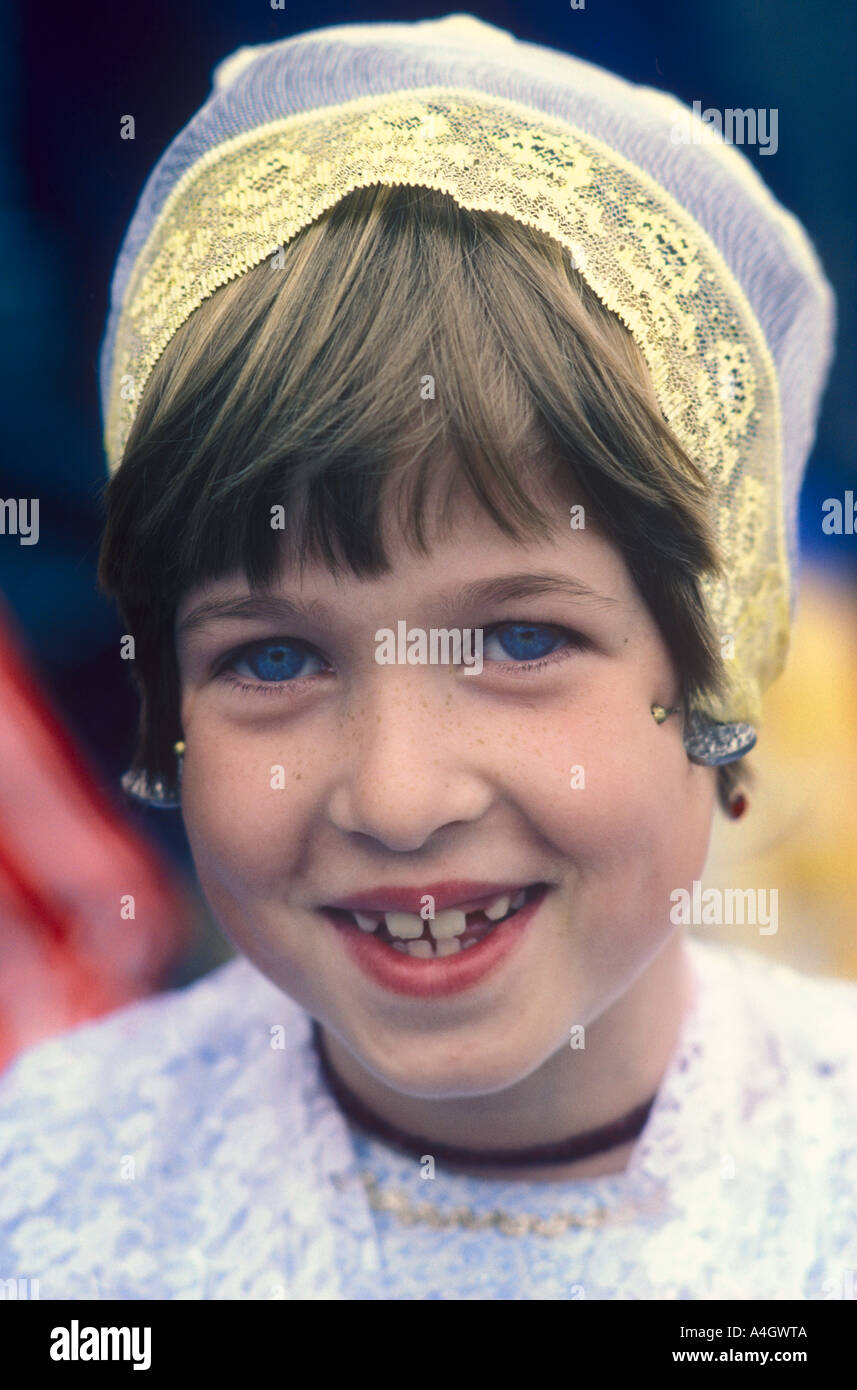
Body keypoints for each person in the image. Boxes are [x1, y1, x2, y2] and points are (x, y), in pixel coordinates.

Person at [1, 14, 854, 1301]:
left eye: (521, 640)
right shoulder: (49, 1190)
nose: (397, 798)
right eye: (276, 659)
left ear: (714, 678)